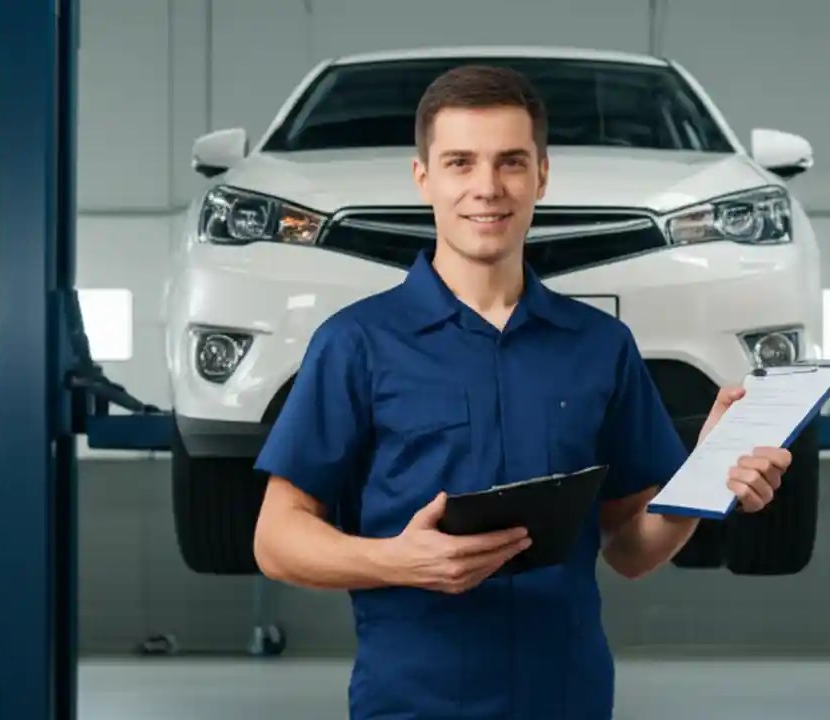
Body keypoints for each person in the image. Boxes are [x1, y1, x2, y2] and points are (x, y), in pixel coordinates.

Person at [251, 64, 792, 720]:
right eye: (460, 163)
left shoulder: (599, 345)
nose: (487, 188)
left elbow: (630, 551)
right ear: (423, 179)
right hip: (413, 703)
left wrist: (704, 482)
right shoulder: (356, 343)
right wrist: (397, 560)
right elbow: (276, 538)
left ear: (541, 174)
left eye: (510, 162)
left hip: (568, 697)